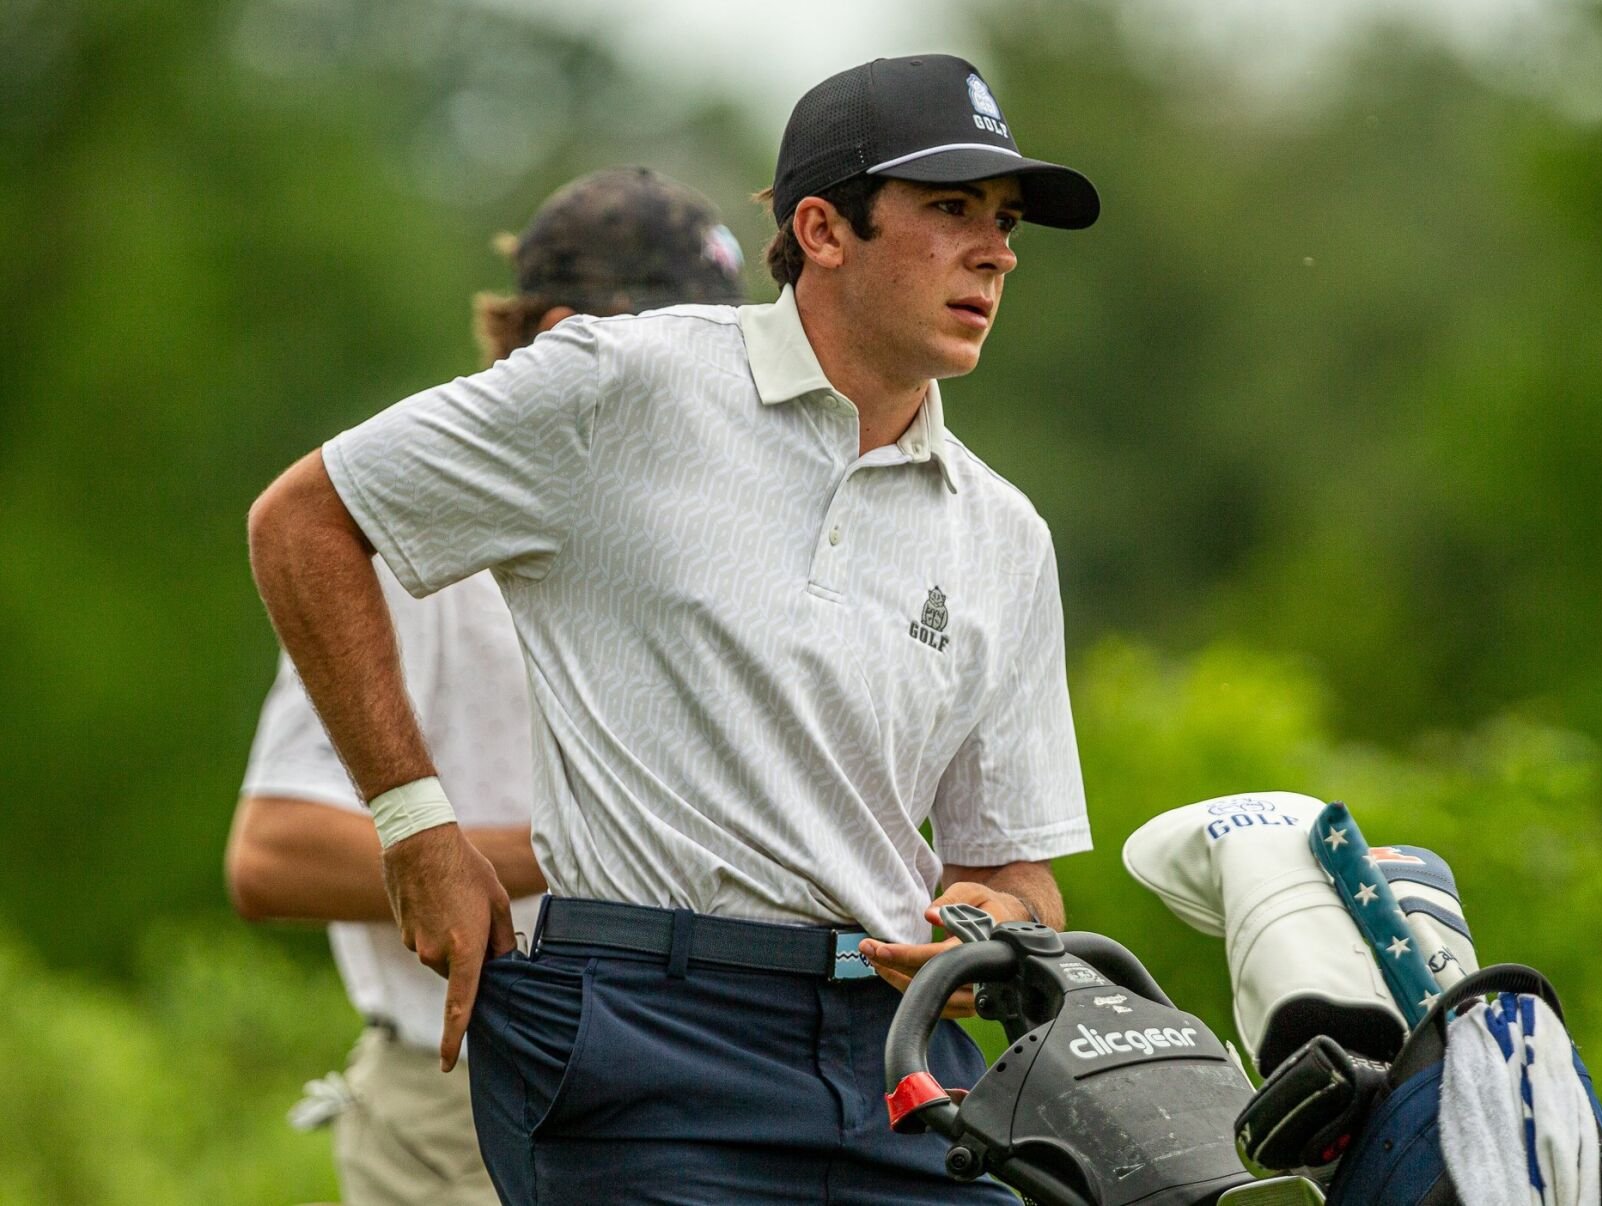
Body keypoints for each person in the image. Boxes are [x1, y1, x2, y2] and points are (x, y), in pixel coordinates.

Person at [246, 53, 1100, 1204]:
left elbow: (1014, 873)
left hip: (894, 1056)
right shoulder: (619, 383)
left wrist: (980, 925)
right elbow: (304, 519)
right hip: (643, 1035)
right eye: (949, 210)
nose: (994, 251)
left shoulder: (1004, 531)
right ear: (822, 228)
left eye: (1002, 223)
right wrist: (414, 825)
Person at [225, 167, 747, 1206]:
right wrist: (566, 855)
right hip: (458, 1112)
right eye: (685, 341)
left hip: (662, 1106)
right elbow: (271, 854)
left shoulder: (696, 547)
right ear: (562, 339)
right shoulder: (421, 550)